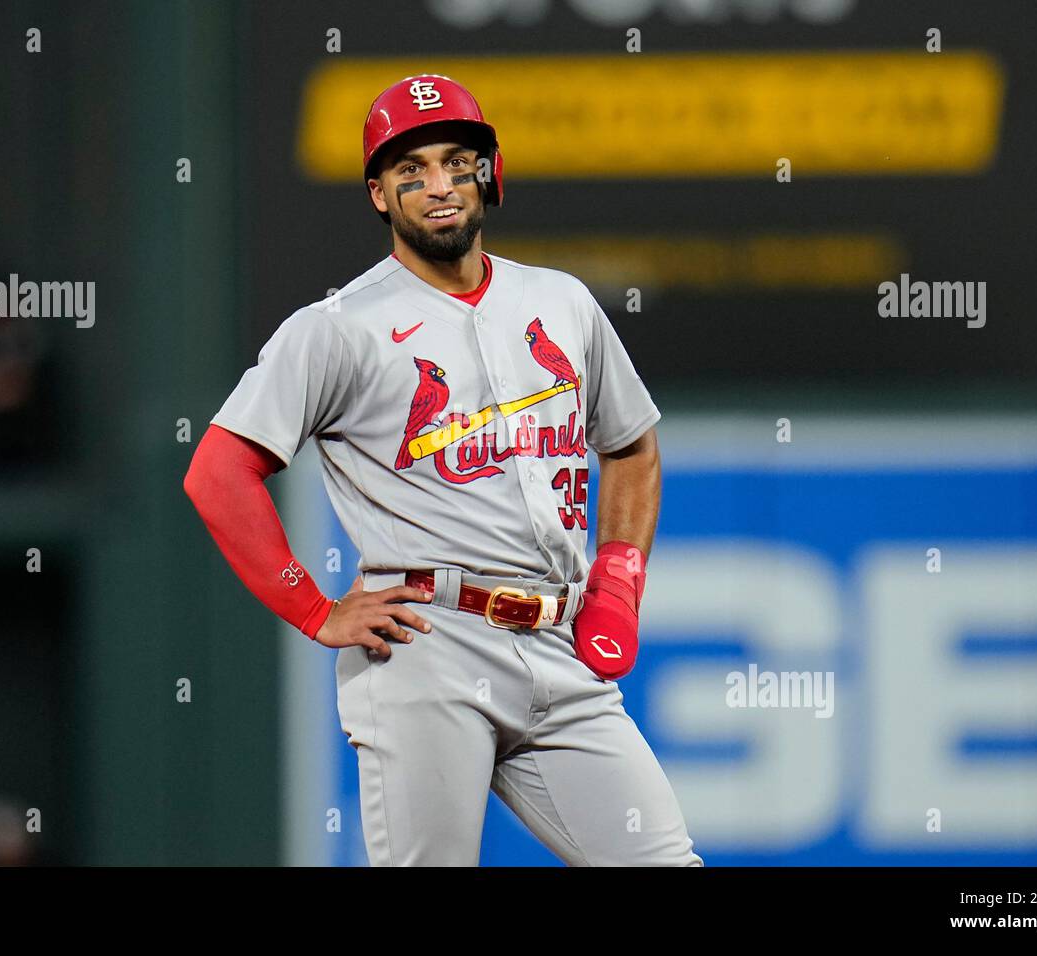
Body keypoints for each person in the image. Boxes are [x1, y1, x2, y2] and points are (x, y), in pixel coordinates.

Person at [184, 73, 702, 867]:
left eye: (457, 161)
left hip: (558, 646)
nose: (438, 185)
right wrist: (317, 612)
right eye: (410, 170)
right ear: (378, 195)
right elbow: (218, 473)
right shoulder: (338, 328)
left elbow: (630, 443)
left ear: (490, 173)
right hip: (428, 641)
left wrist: (619, 575)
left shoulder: (560, 301)